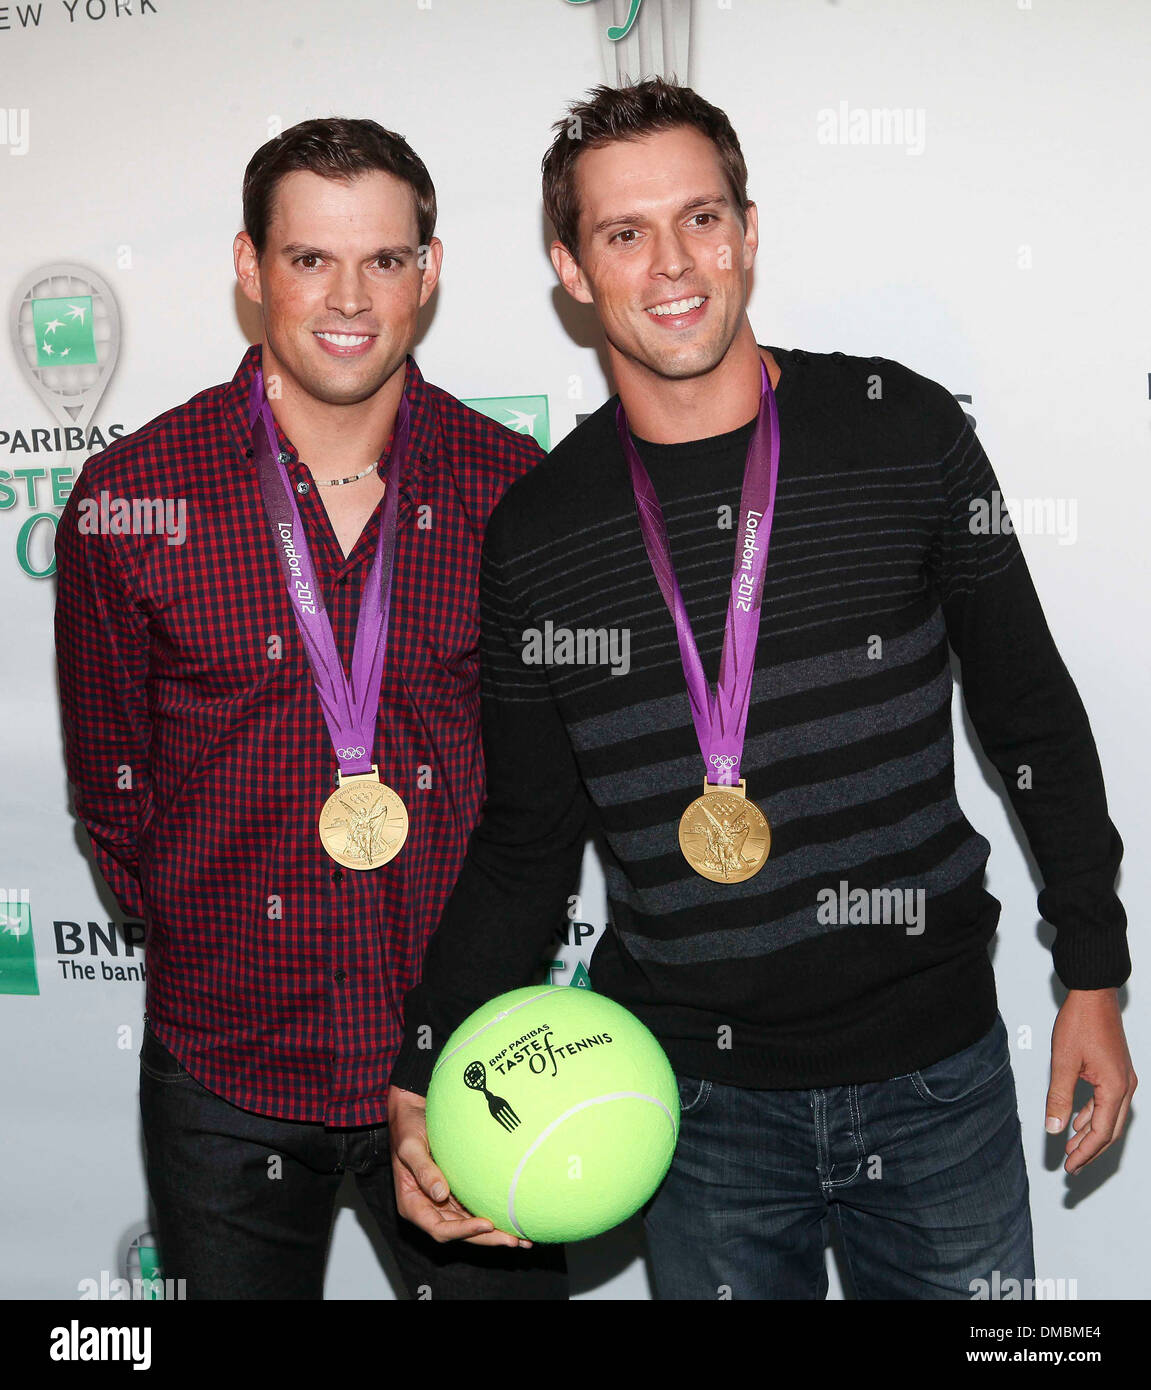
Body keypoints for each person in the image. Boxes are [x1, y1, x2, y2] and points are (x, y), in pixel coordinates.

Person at [387, 81, 1136, 1298]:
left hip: (933, 1072)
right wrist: (423, 1059)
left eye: (700, 219)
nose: (671, 264)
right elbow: (525, 840)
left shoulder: (903, 433)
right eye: (623, 234)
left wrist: (1092, 975)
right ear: (571, 270)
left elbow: (1029, 715)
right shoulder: (536, 531)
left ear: (746, 230)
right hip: (686, 1105)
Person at [54, 117, 566, 1300]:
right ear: (249, 267)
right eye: (308, 259)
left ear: (427, 273)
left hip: (469, 1071)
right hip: (226, 1079)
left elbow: (543, 799)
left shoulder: (517, 491)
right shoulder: (132, 498)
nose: (349, 296)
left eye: (385, 259)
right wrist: (214, 924)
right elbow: (113, 794)